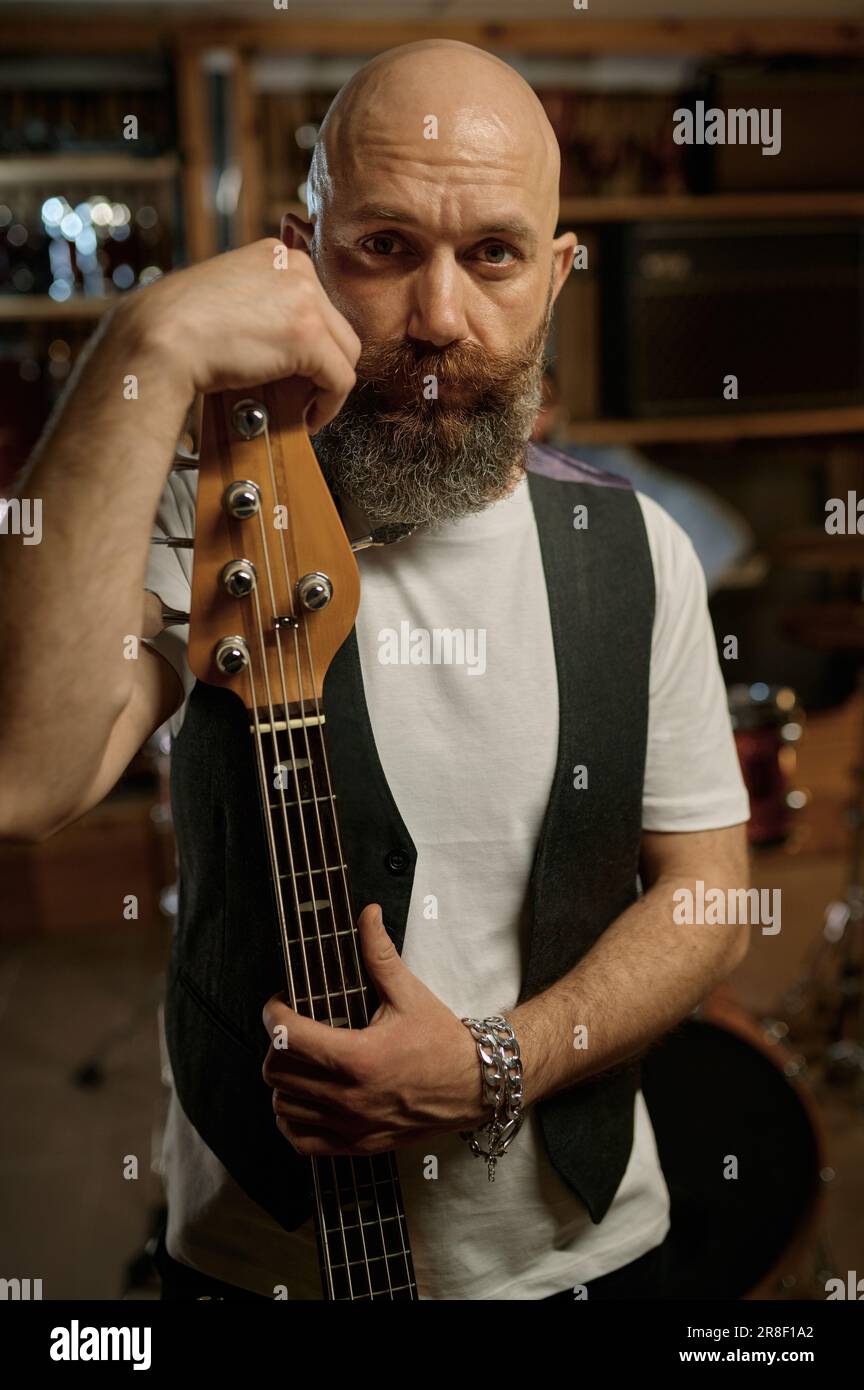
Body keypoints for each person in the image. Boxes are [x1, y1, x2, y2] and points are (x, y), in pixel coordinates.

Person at [0, 40, 750, 1301]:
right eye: (386, 247)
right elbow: (24, 775)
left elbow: (713, 892)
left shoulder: (637, 553)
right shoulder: (211, 513)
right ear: (303, 251)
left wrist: (499, 1063)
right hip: (260, 1265)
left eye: (495, 255)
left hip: (589, 1257)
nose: (441, 319)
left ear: (560, 274)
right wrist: (149, 343)